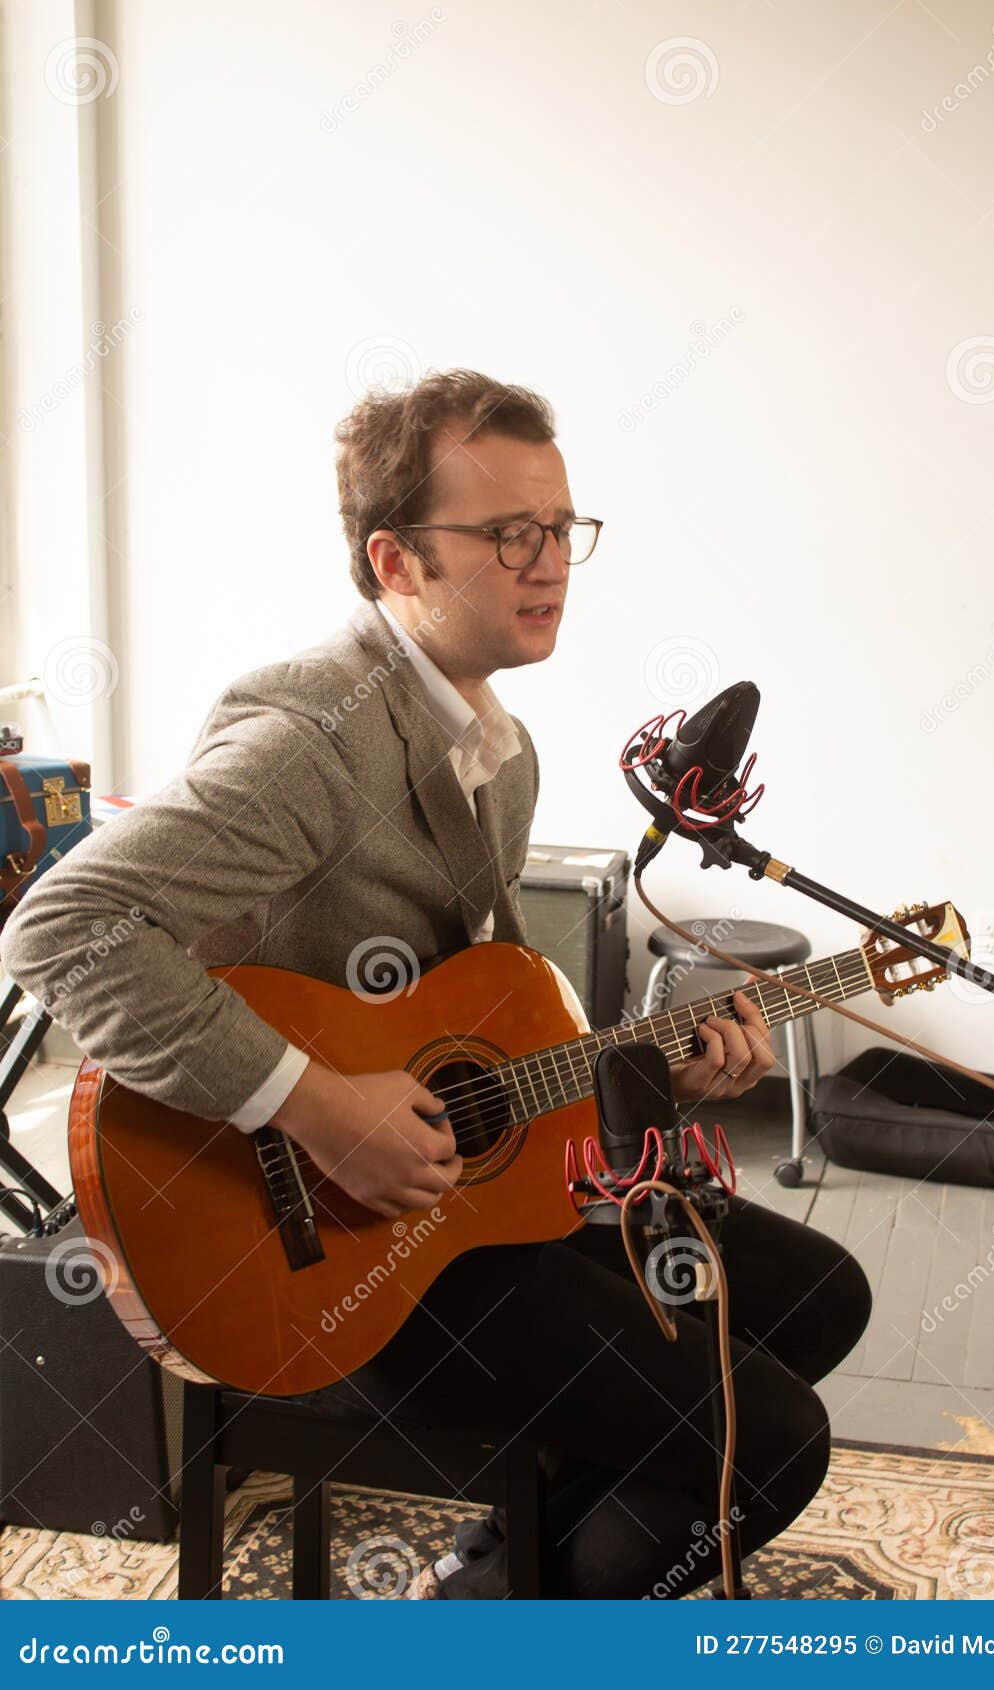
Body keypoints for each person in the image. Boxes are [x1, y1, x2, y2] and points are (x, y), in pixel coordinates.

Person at [0, 368, 870, 1599]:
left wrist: (666, 1066)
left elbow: (490, 1036)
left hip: (448, 1201)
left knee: (820, 1295)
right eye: (508, 533)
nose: (549, 560)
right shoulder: (310, 737)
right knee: (771, 1443)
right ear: (395, 560)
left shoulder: (495, 756)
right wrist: (312, 1102)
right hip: (309, 1247)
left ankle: (506, 1567)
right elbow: (62, 927)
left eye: (561, 529)